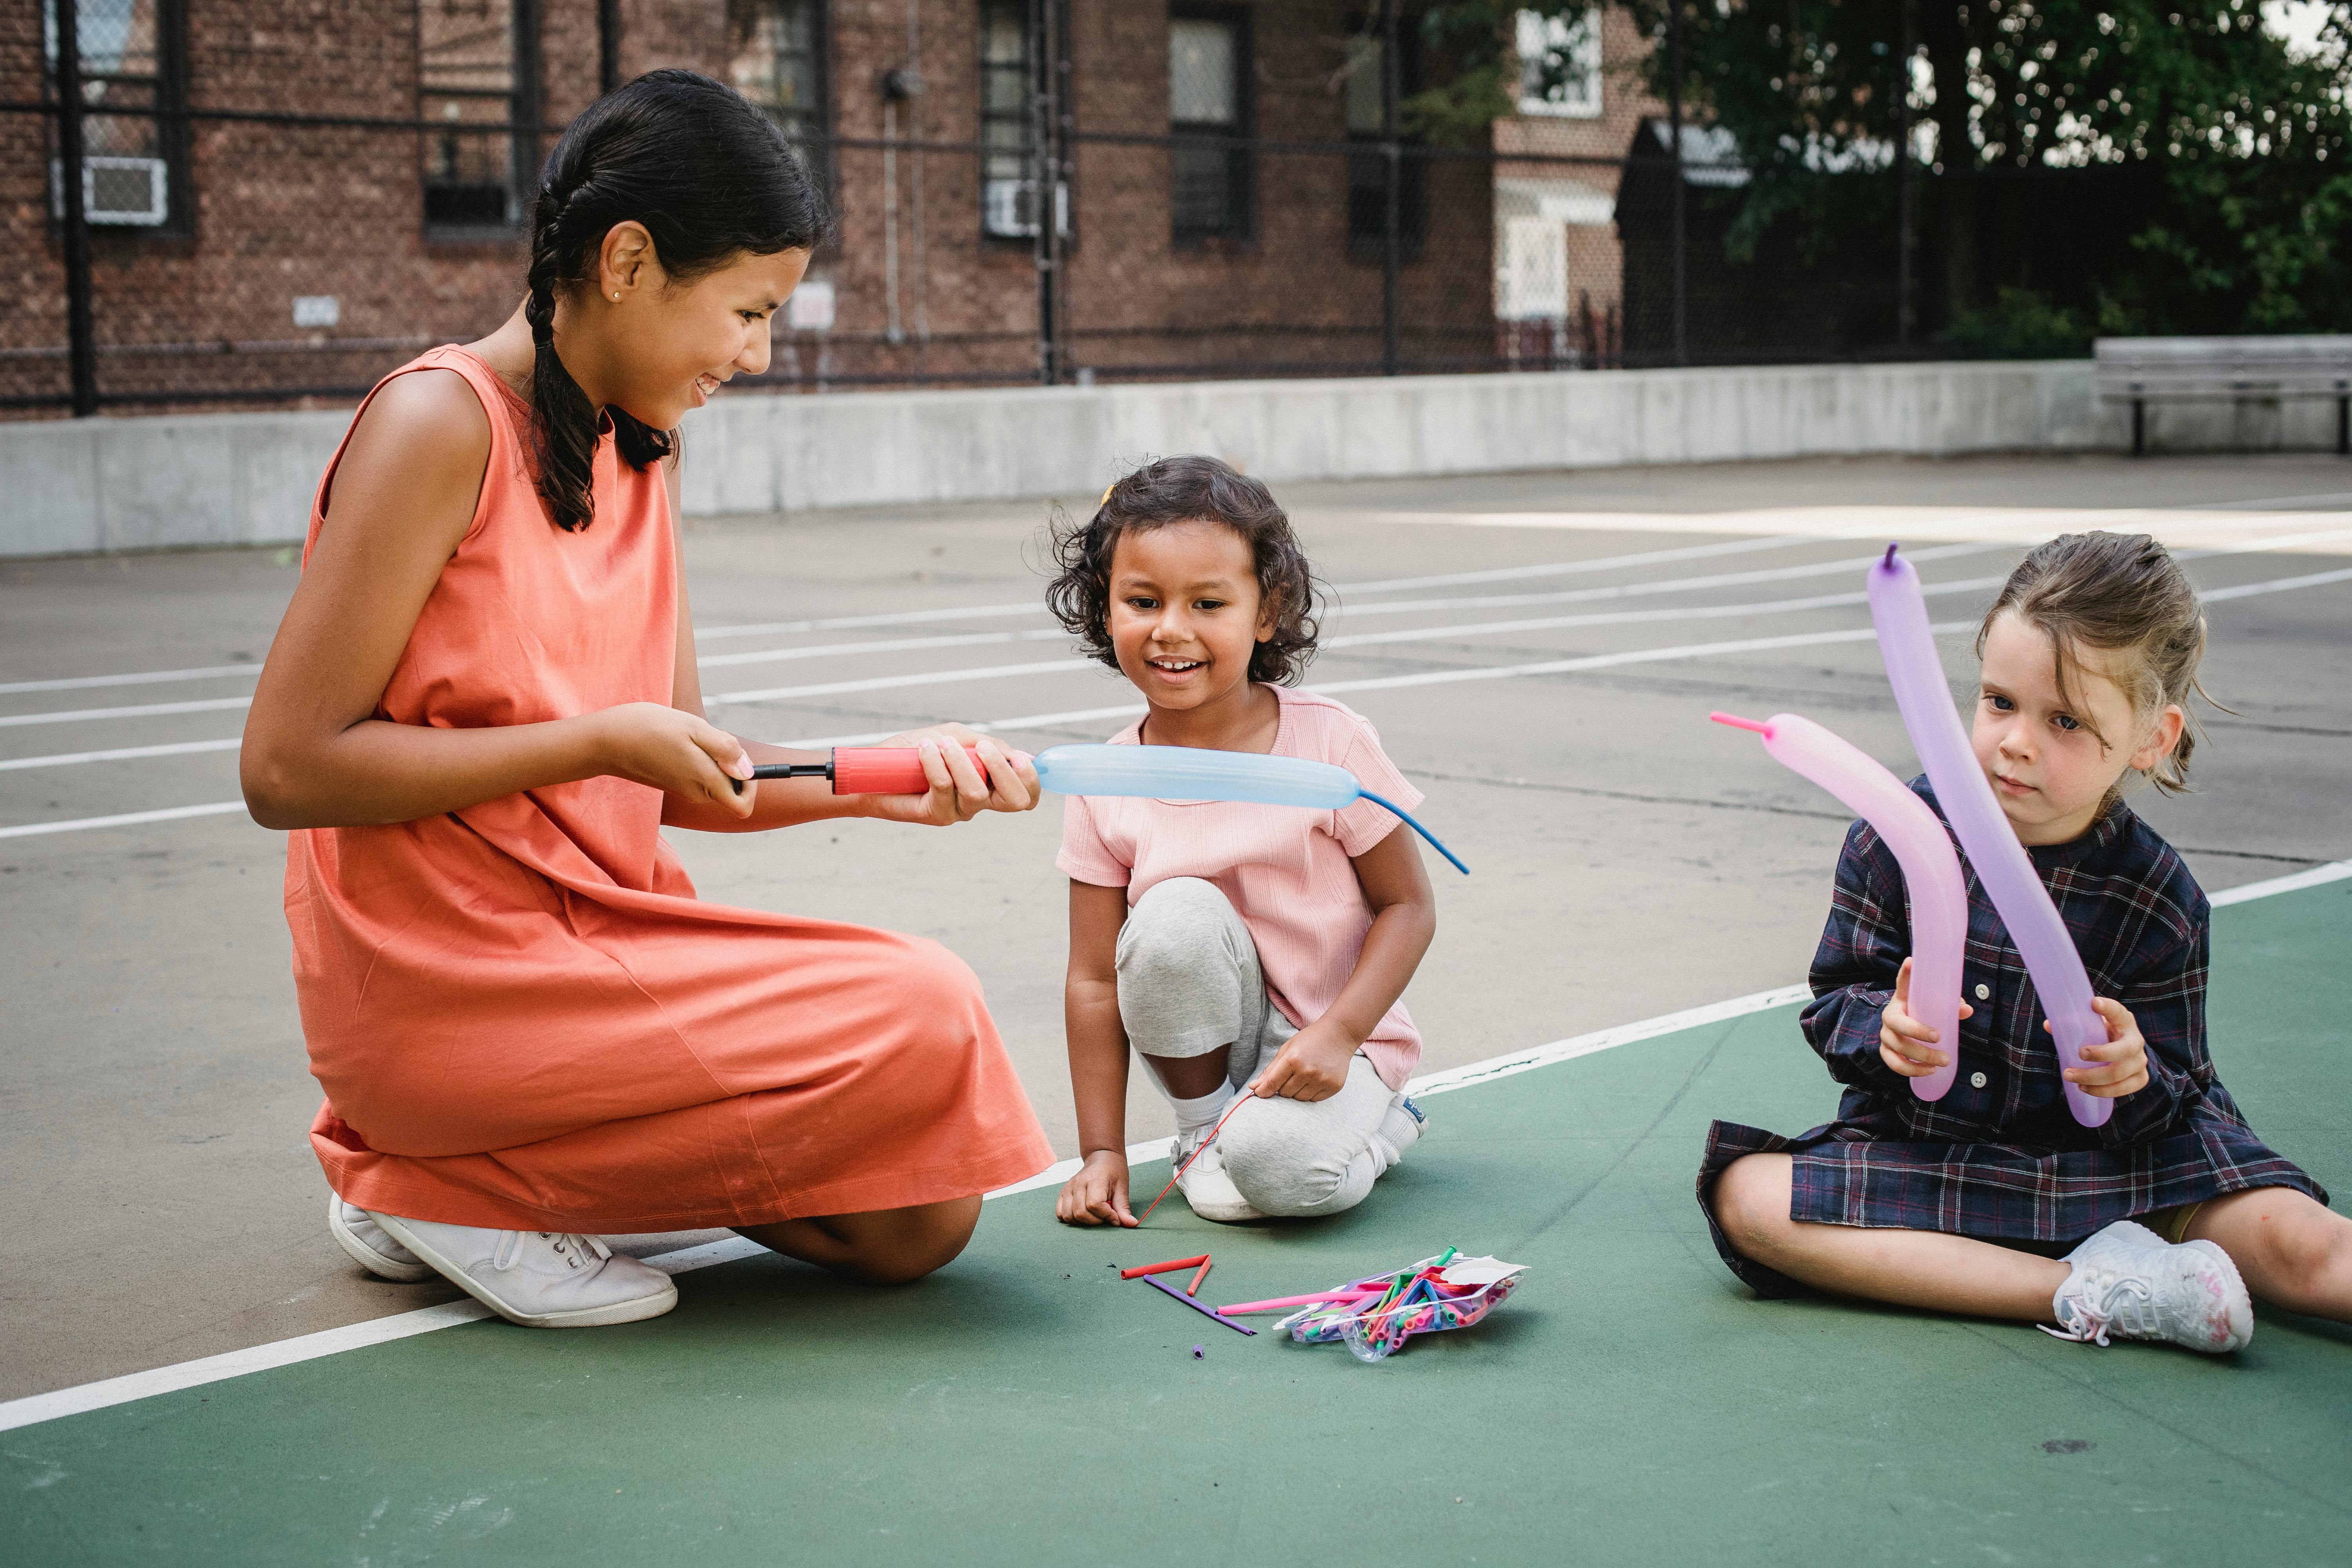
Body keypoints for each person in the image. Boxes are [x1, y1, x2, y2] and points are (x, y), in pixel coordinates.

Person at [240, 71, 1053, 1330]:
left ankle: (467, 1178)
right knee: (924, 1000)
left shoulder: (639, 446)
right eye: (746, 310)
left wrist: (893, 775)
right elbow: (286, 768)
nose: (758, 354)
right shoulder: (437, 422)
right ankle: (425, 1179)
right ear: (627, 261)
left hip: (598, 946)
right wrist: (590, 743)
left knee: (912, 1223)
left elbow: (699, 774)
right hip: (448, 980)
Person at [1704, 531, 2350, 1351]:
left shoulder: (2159, 894)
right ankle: (2109, 1291)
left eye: (2067, 720)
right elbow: (1837, 1001)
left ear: (2151, 737)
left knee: (2304, 1242)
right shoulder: (1894, 840)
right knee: (1749, 1200)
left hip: (2126, 1169)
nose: (2016, 741)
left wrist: (2132, 1073)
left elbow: (2178, 1086)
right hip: (1942, 1160)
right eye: (2001, 701)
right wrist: (1884, 1030)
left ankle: (2130, 1257)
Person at [1045, 457, 1437, 1228]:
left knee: (1285, 1176)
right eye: (1143, 600)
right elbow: (1094, 979)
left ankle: (1387, 1122)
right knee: (1173, 915)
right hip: (1212, 1044)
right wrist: (1102, 1151)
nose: (1171, 628)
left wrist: (1340, 1033)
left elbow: (1409, 906)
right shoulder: (1103, 775)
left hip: (1336, 1033)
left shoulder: (1332, 740)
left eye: (1208, 602)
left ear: (1267, 611)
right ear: (1104, 610)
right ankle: (1202, 1133)